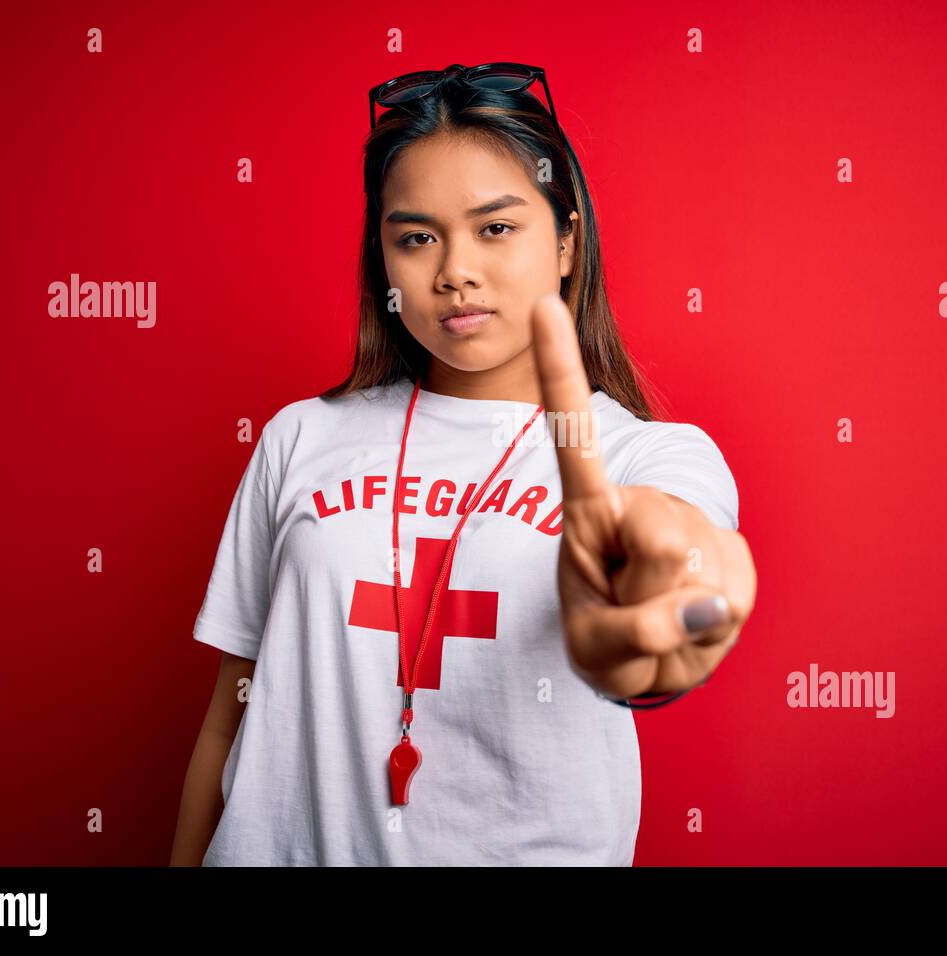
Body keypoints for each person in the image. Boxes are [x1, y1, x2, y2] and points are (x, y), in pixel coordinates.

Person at [170, 63, 757, 866]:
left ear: (565, 241)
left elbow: (683, 544)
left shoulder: (641, 455)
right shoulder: (299, 438)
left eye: (496, 228)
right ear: (383, 260)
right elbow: (228, 719)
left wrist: (671, 599)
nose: (453, 271)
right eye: (415, 237)